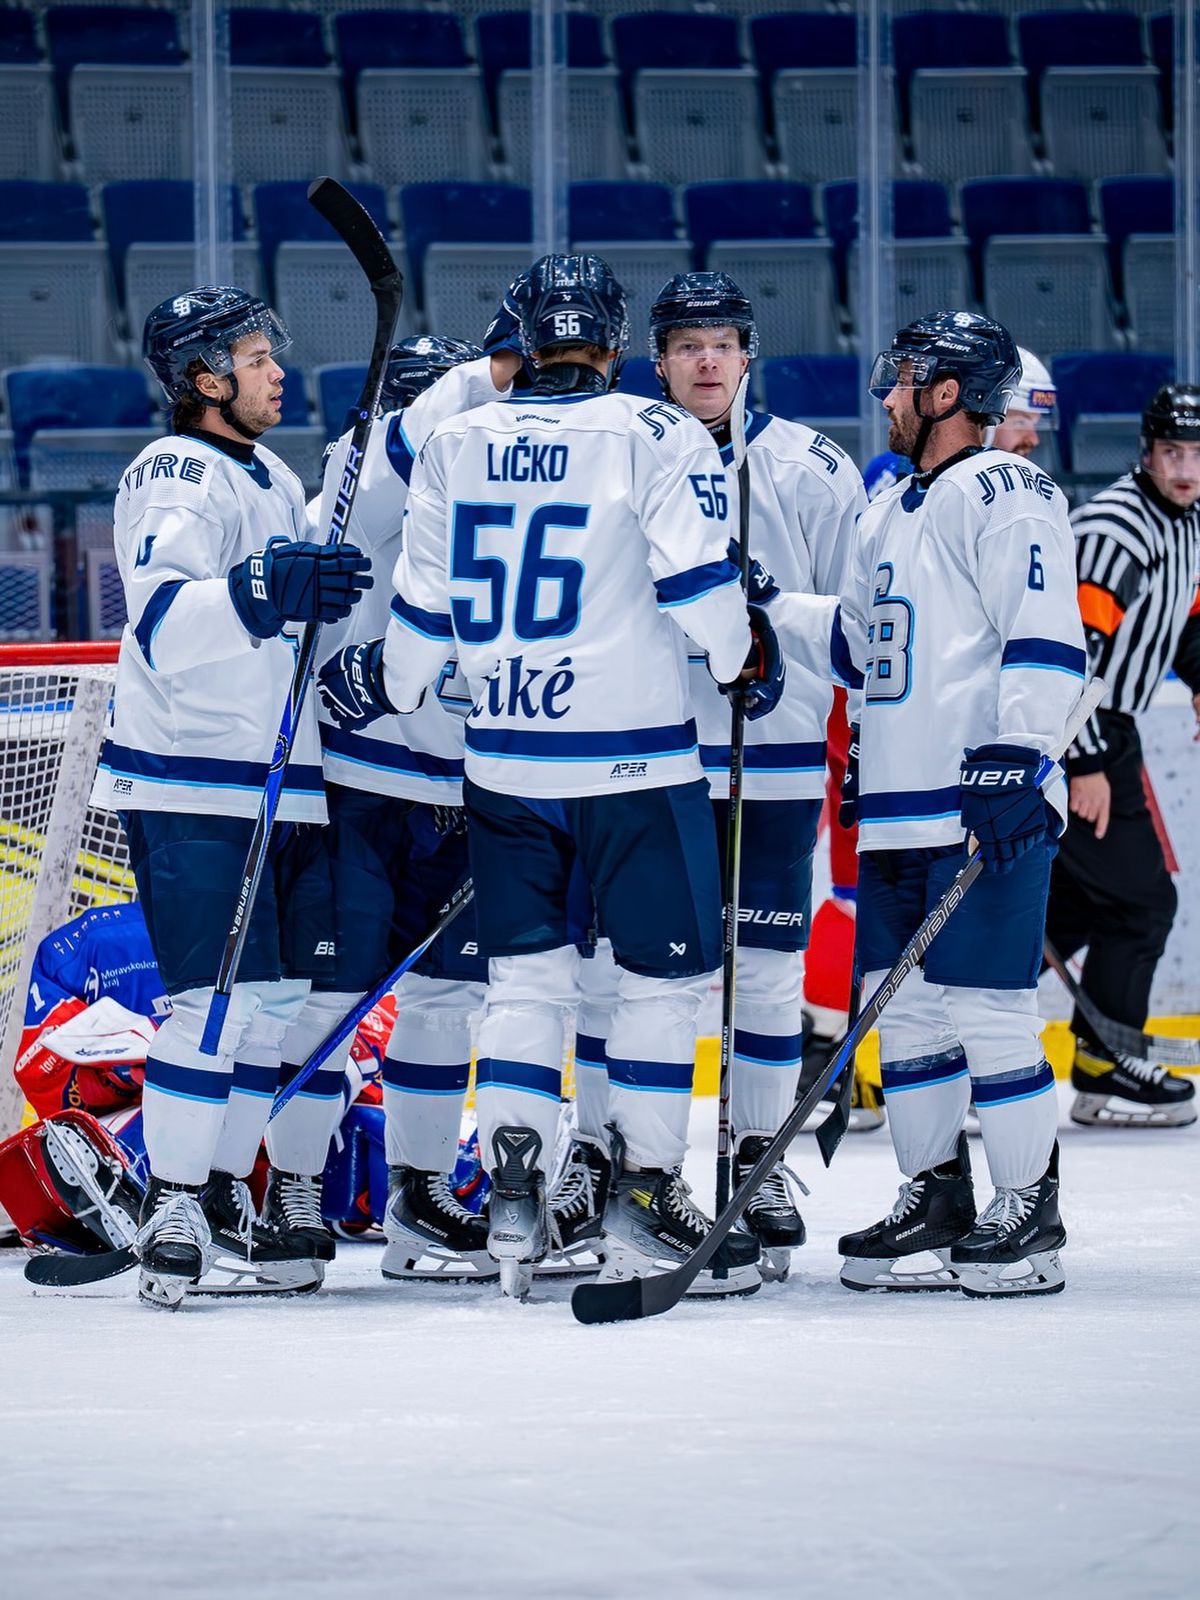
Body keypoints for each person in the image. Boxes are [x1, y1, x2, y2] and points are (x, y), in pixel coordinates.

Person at [320, 252, 784, 1298]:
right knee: (661, 984)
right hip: (633, 761)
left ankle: (517, 1184)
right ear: (617, 345)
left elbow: (415, 633)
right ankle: (646, 1194)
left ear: (521, 341)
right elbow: (708, 598)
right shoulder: (653, 432)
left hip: (504, 761)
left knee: (526, 983)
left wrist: (387, 685)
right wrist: (740, 652)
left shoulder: (454, 440)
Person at [568, 271, 864, 1280]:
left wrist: (778, 635)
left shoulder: (816, 470)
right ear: (658, 358)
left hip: (775, 763)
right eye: (686, 342)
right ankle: (605, 1156)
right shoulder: (619, 457)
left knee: (769, 973)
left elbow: (855, 624)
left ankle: (758, 1156)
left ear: (747, 355)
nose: (704, 358)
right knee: (632, 975)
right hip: (650, 758)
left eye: (721, 341)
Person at [90, 286, 373, 1307]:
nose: (275, 371)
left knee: (273, 1010)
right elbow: (163, 621)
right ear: (206, 378)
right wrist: (266, 592)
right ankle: (170, 1195)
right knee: (211, 1007)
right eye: (255, 358)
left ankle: (215, 1196)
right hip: (193, 775)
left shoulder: (272, 475)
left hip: (278, 778)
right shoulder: (176, 470)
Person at [830, 311, 1088, 1298]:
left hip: (981, 799)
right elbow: (861, 645)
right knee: (910, 1021)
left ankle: (1029, 1210)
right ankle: (933, 1197)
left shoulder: (1007, 485)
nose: (888, 396)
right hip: (898, 806)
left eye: (903, 380)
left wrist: (1019, 753)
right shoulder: (887, 504)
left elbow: (1045, 631)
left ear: (947, 392)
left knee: (990, 1010)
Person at [282, 331, 518, 1283]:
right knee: (330, 1000)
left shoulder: (504, 491)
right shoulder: (359, 467)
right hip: (361, 786)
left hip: (464, 793)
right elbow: (406, 443)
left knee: (446, 1004)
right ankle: (291, 1190)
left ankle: (418, 1197)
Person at [1045, 383, 1200, 1127]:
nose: (1185, 470)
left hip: (1111, 727)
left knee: (1080, 906)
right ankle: (1105, 1063)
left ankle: (970, 1041)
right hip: (1078, 728)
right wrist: (1085, 762)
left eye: (1197, 455)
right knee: (1142, 905)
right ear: (1147, 451)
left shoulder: (1188, 524)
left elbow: (1189, 614)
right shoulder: (1117, 529)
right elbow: (1072, 658)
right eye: (1173, 453)